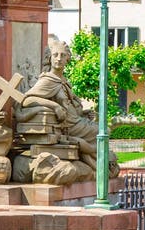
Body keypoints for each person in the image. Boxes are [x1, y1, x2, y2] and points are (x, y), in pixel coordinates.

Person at [19, 41, 98, 169]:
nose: (59, 58)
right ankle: (95, 164)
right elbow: (27, 100)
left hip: (76, 121)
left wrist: (83, 113)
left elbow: (68, 106)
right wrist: (54, 106)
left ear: (68, 59)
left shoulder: (63, 81)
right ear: (49, 58)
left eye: (63, 55)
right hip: (68, 125)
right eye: (55, 55)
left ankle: (94, 164)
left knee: (102, 130)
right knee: (102, 132)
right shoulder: (48, 80)